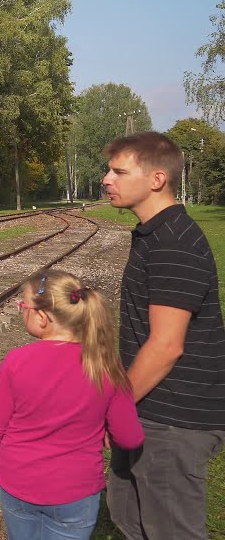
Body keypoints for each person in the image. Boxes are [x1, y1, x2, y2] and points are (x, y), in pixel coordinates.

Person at [101, 131, 225, 540]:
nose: (107, 179)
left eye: (119, 171)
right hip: (150, 410)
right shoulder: (155, 234)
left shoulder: (173, 243)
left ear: (157, 179)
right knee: (129, 516)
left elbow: (167, 345)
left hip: (173, 418)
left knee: (170, 530)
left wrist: (112, 407)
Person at [0, 270, 144, 540]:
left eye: (22, 307)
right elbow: (130, 438)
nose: (21, 311)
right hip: (76, 492)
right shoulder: (105, 365)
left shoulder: (16, 361)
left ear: (42, 317)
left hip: (19, 484)